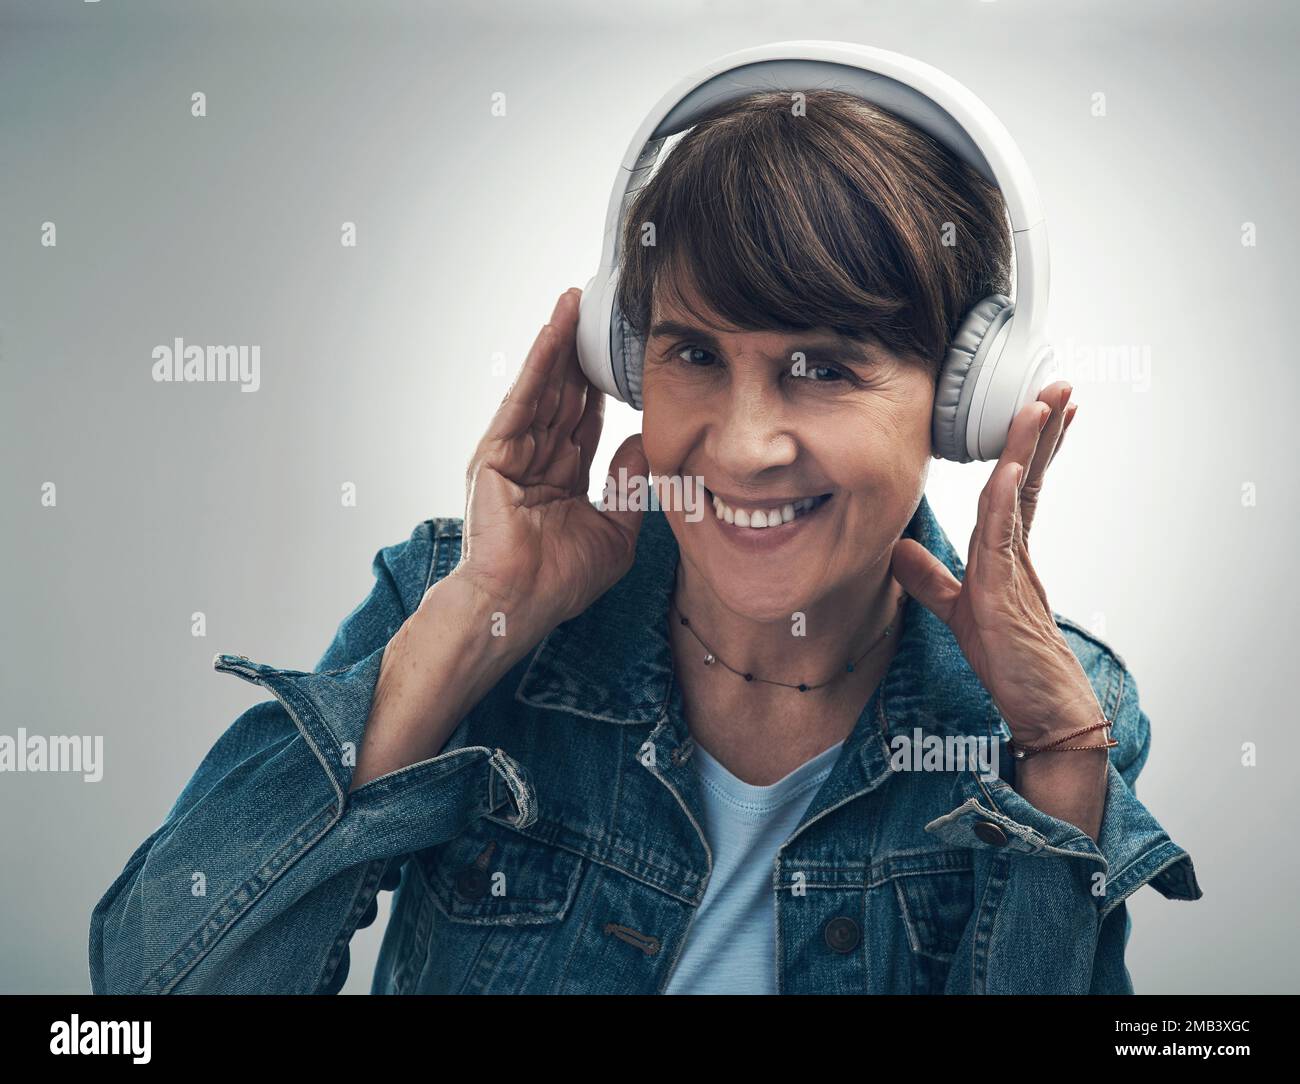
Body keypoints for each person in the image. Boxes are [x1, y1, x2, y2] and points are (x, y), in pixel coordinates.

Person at [90, 89, 1200, 995]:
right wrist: (477, 625)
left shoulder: (1052, 713)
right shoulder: (460, 602)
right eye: (694, 354)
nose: (745, 445)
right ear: (625, 362)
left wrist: (1058, 765)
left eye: (823, 366)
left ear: (965, 403)